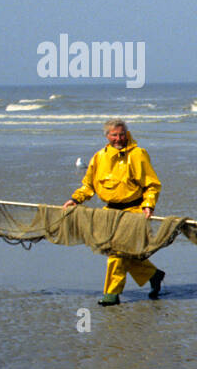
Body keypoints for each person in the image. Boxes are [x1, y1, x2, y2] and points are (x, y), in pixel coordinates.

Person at [64, 118, 165, 306]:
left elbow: (152, 185)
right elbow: (88, 186)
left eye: (121, 134)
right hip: (109, 213)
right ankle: (153, 274)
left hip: (134, 212)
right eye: (114, 135)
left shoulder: (138, 154)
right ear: (107, 136)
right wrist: (75, 199)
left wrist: (149, 205)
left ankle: (111, 294)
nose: (118, 138)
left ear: (126, 134)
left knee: (117, 254)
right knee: (126, 254)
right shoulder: (99, 157)